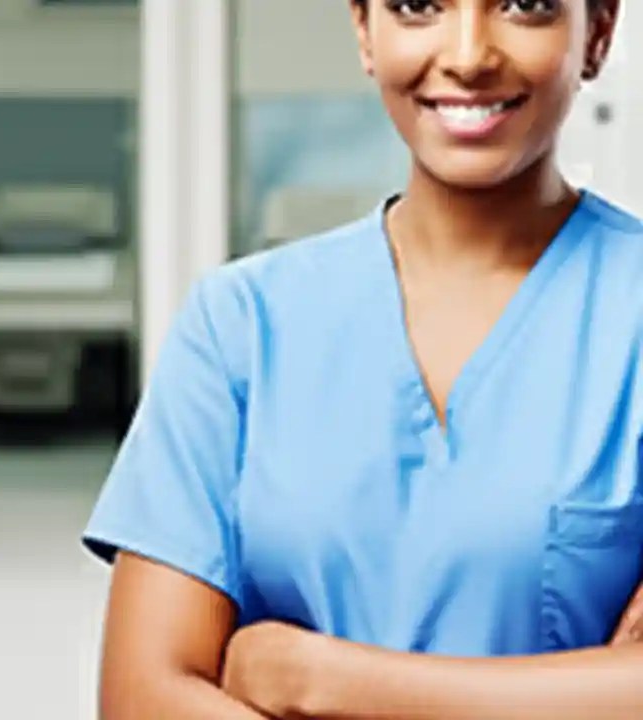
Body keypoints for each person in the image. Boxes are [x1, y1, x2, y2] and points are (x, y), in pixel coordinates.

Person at [82, 0, 643, 717]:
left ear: (596, 33)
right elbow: (143, 697)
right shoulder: (241, 326)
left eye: (524, 5)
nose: (469, 54)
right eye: (418, 7)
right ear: (364, 32)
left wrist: (315, 677)